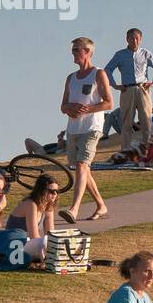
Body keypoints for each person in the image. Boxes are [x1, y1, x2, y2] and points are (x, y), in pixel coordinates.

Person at [59, 36, 113, 224]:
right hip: (73, 128)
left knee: (82, 165)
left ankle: (74, 208)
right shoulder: (70, 78)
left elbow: (108, 103)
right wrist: (70, 108)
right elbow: (63, 106)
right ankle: (101, 204)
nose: (73, 53)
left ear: (87, 52)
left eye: (77, 49)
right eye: (73, 50)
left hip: (92, 127)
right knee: (82, 168)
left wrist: (87, 109)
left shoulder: (98, 74)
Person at [104, 28, 153, 155]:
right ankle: (125, 150)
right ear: (127, 39)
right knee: (126, 121)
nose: (134, 40)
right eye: (131, 38)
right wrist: (115, 85)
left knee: (146, 119)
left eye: (137, 38)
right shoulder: (120, 55)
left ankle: (147, 150)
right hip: (127, 89)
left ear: (140, 39)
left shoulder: (146, 53)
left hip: (143, 88)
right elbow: (108, 69)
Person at [6, 172, 60, 263]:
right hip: (14, 245)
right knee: (44, 243)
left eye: (56, 191)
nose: (54, 194)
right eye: (51, 191)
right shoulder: (30, 204)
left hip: (26, 244)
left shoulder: (48, 207)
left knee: (55, 243)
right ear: (41, 190)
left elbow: (50, 235)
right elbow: (34, 236)